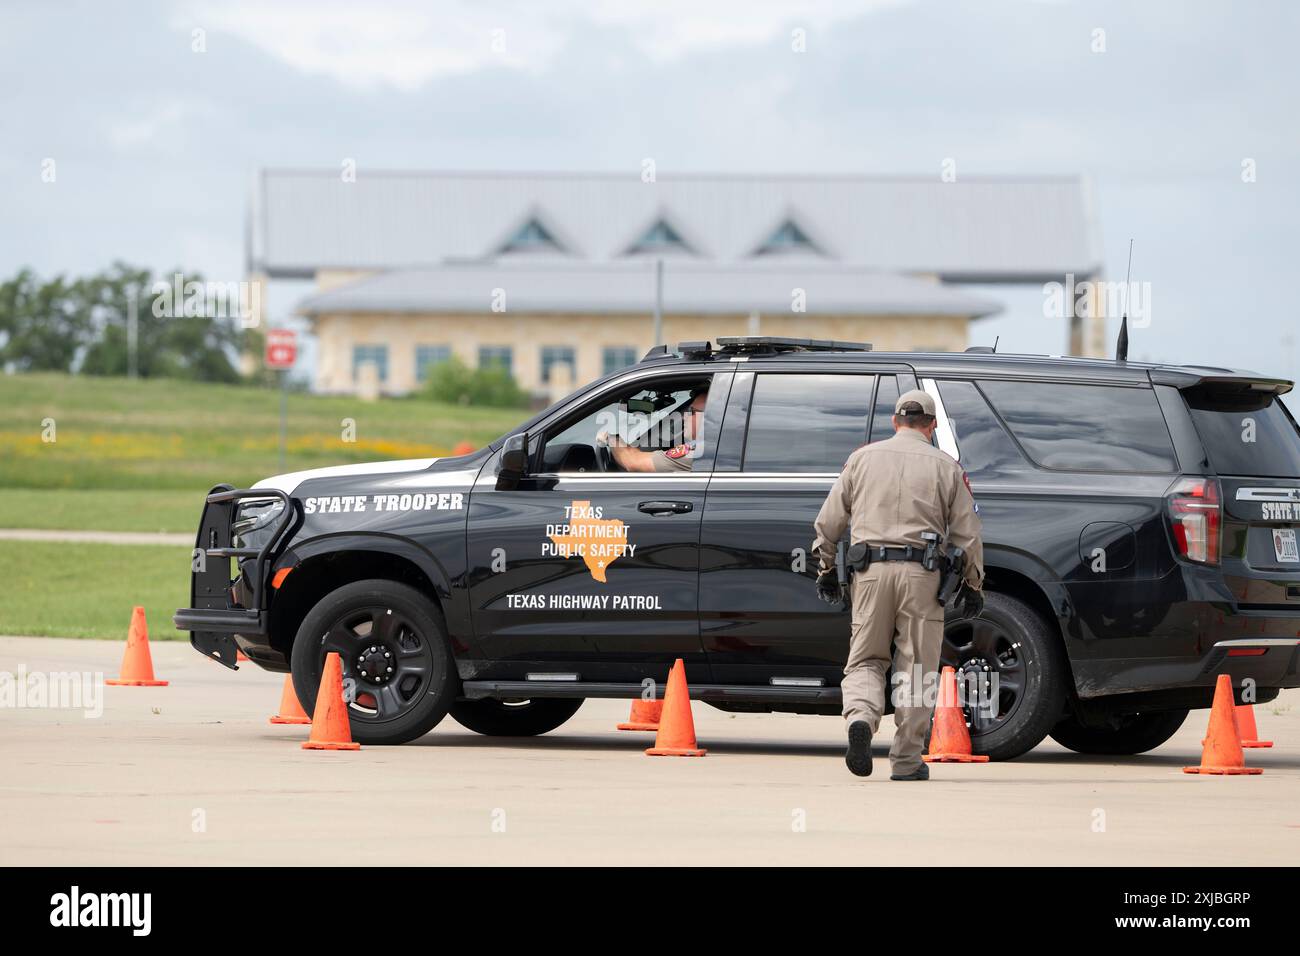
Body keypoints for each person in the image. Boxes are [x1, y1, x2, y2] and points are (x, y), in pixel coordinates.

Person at [811, 389, 984, 781]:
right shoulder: (947, 467)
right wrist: (973, 583)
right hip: (922, 576)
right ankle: (906, 761)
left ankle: (861, 718)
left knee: (866, 659)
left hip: (868, 573)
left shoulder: (861, 459)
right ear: (932, 425)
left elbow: (828, 523)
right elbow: (967, 535)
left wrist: (825, 568)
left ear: (895, 422)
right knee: (917, 669)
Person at [596, 384, 708, 473]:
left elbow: (632, 462)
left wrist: (610, 439)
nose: (684, 416)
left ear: (710, 418)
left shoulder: (698, 455)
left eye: (691, 412)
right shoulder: (713, 450)